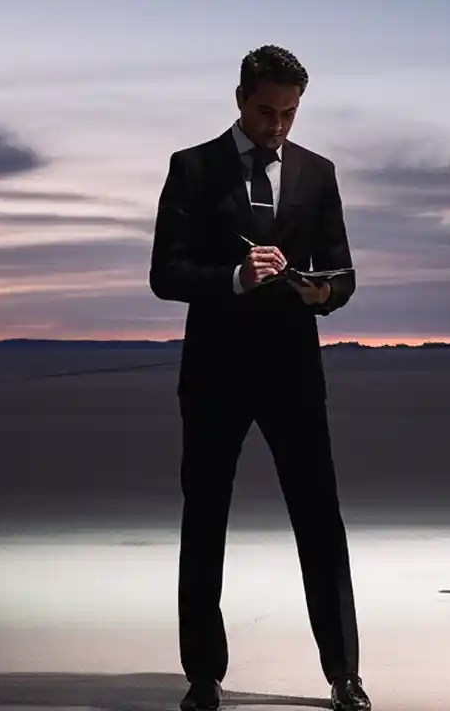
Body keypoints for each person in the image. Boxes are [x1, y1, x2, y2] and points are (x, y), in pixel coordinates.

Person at [149, 44, 370, 711]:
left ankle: (344, 675)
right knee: (206, 520)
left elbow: (345, 273)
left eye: (290, 114)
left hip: (293, 373)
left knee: (320, 521)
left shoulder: (317, 173)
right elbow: (165, 274)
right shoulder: (192, 169)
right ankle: (202, 678)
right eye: (267, 112)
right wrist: (235, 279)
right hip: (215, 373)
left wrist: (320, 292)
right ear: (240, 100)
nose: (278, 127)